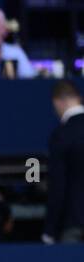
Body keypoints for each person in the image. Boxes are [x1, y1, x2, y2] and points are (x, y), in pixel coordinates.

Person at [45, 81, 84, 243]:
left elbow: (58, 184)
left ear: (57, 102)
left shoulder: (62, 134)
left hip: (74, 222)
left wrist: (49, 229)